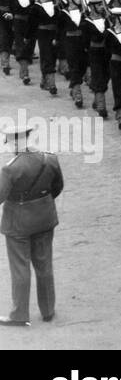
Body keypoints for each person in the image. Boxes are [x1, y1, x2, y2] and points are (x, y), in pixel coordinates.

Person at [0, 120, 64, 326]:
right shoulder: (49, 159)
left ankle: (19, 315)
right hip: (44, 218)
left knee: (20, 267)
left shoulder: (10, 169)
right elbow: (57, 187)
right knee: (44, 264)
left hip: (18, 222)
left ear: (12, 142)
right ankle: (48, 310)